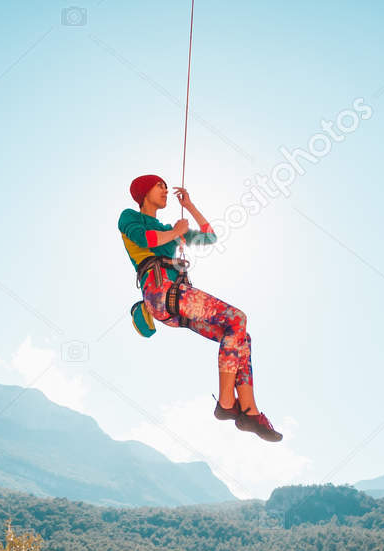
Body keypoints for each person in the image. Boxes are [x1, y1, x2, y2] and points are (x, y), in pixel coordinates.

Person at [119, 174, 282, 442]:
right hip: (161, 292)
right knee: (237, 318)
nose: (165, 190)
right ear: (144, 192)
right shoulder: (130, 217)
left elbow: (209, 237)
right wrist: (176, 233)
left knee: (241, 337)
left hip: (175, 302)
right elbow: (145, 239)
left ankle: (249, 411)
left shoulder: (171, 228)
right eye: (159, 186)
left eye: (165, 186)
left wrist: (190, 206)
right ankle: (227, 403)